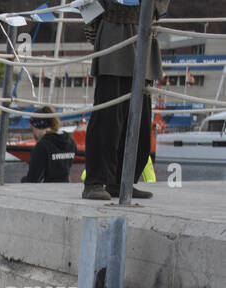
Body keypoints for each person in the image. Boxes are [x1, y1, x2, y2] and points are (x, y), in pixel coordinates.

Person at [82, 0, 169, 201]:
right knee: (108, 118)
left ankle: (123, 180)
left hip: (144, 35)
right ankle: (95, 181)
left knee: (140, 120)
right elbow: (88, 8)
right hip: (114, 34)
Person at [20, 107, 76, 183]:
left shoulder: (42, 146)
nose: (33, 134)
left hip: (47, 189)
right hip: (66, 186)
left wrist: (23, 180)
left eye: (32, 129)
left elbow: (32, 179)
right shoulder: (70, 141)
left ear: (38, 127)